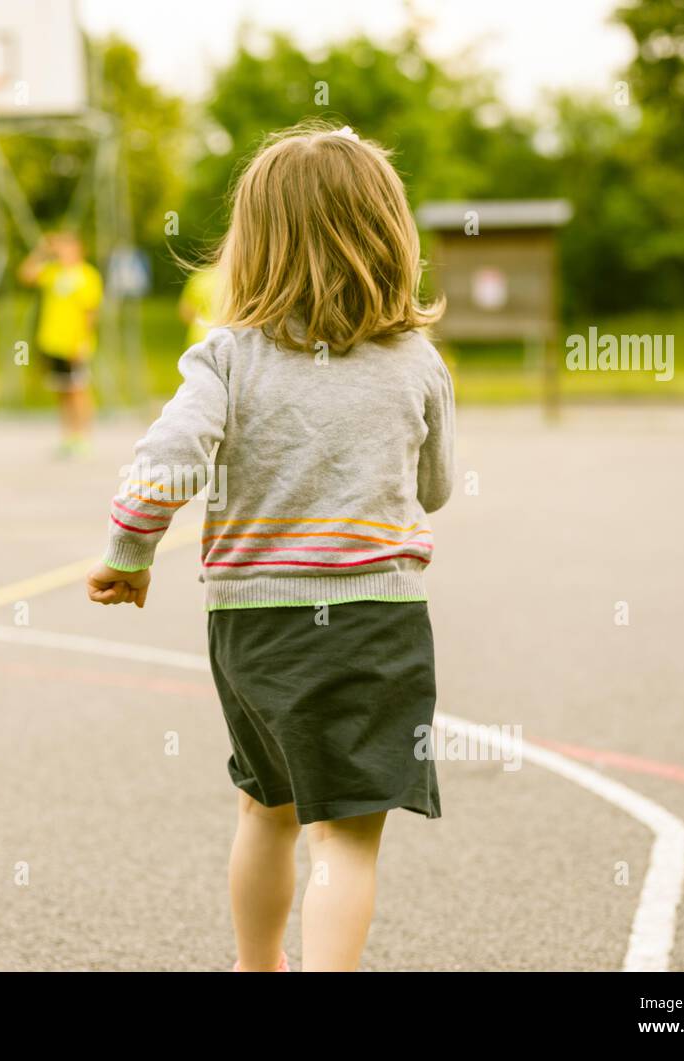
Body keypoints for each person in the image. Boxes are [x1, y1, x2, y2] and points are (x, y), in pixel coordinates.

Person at [84, 122, 454, 972]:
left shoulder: (227, 358)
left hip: (253, 626)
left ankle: (258, 966)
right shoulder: (416, 363)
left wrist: (128, 553)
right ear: (389, 236)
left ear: (254, 245)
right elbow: (434, 487)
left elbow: (167, 464)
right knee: (348, 842)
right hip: (373, 620)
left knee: (265, 807)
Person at [17, 230, 103, 458]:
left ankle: (83, 437)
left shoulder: (87, 275)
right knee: (62, 391)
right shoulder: (53, 272)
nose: (64, 252)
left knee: (78, 390)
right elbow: (26, 275)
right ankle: (68, 437)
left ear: (79, 249)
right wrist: (43, 250)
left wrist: (83, 341)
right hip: (52, 342)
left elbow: (90, 311)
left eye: (68, 247)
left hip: (74, 343)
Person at [177, 262, 225, 347]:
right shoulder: (235, 279)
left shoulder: (199, 276)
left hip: (199, 336)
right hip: (224, 337)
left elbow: (185, 312)